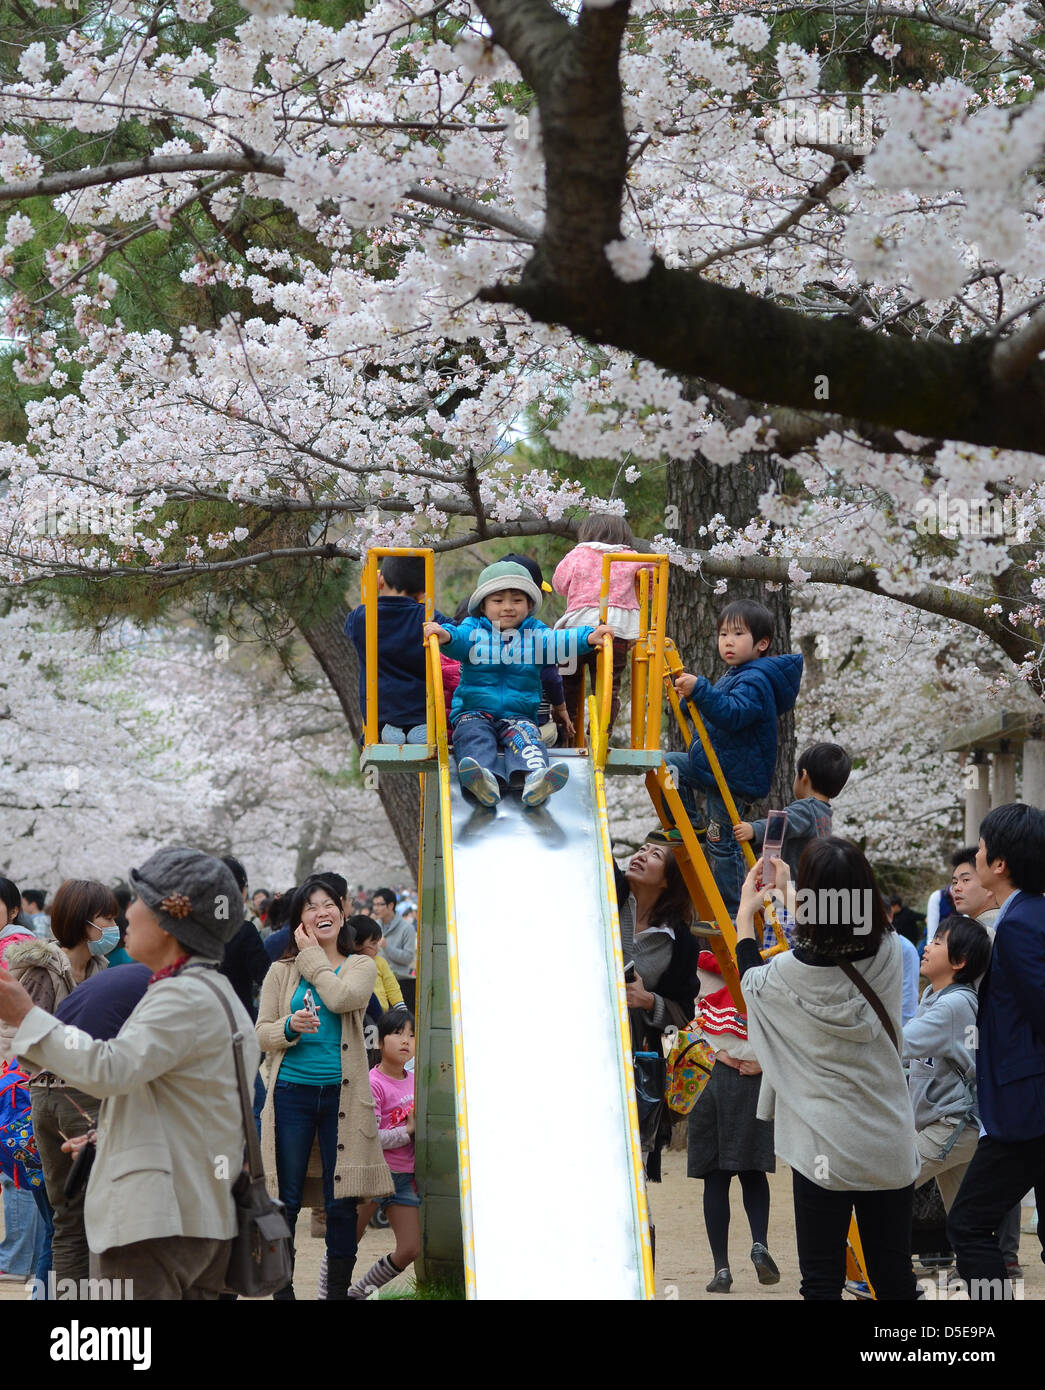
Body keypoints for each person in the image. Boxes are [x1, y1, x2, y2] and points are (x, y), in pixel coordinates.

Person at [0, 847, 258, 1300]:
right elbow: (185, 1104)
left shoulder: (181, 997)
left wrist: (27, 1017)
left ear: (168, 921)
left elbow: (109, 1067)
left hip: (156, 1223)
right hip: (199, 1214)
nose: (127, 915)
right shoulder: (213, 992)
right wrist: (114, 1134)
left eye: (137, 902)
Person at [736, 839, 920, 1300]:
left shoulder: (781, 978)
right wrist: (791, 890)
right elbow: (838, 925)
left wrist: (747, 910)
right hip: (887, 1141)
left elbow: (748, 979)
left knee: (820, 1282)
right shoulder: (892, 951)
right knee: (893, 1276)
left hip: (823, 1148)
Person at [255, 876, 393, 1300]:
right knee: (286, 1199)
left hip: (343, 1098)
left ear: (343, 910)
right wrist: (289, 1028)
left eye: (329, 903)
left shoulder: (361, 965)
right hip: (290, 1095)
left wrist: (313, 958)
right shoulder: (281, 971)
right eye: (311, 906)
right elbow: (261, 1033)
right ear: (300, 918)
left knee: (340, 1201)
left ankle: (334, 1295)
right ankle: (284, 1293)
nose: (322, 912)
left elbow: (341, 999)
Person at [948, 804, 1045, 1299]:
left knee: (968, 1224)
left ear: (1000, 864)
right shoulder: (1029, 912)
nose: (978, 855)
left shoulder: (1020, 923)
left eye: (983, 849)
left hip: (1026, 1108)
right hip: (1026, 1104)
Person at [423, 560, 612, 807]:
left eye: (517, 600)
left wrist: (587, 636)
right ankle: (483, 779)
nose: (508, 607)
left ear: (530, 604)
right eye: (498, 601)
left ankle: (537, 779)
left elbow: (558, 641)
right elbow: (458, 640)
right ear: (483, 605)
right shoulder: (474, 629)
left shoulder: (535, 634)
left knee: (528, 740)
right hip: (474, 711)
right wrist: (445, 635)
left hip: (518, 714)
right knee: (473, 737)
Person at [662, 599, 803, 918]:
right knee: (668, 764)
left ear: (762, 643)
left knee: (722, 843)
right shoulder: (738, 673)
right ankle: (691, 822)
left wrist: (701, 690)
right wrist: (689, 700)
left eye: (738, 634)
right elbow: (715, 711)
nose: (728, 640)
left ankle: (733, 910)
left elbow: (733, 714)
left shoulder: (756, 680)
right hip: (714, 767)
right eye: (723, 633)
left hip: (733, 777)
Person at [32, 963, 151, 1286]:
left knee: (68, 1220)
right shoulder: (168, 989)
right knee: (113, 1220)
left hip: (43, 1091)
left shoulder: (120, 977)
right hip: (82, 1097)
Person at [687, 948, 779, 1293]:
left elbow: (689, 1020)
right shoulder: (766, 973)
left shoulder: (698, 965)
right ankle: (759, 1243)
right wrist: (766, 1064)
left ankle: (722, 1269)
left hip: (710, 1079)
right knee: (753, 1172)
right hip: (752, 1080)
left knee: (715, 1179)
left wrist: (719, 1052)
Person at [614, 832, 699, 1181]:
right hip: (577, 1037)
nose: (641, 855)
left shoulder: (678, 941)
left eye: (654, 855)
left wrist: (648, 1000)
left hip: (635, 1059)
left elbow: (684, 1012)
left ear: (668, 881)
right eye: (642, 848)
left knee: (630, 1162)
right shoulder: (604, 896)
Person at [903, 915, 991, 1214]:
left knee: (889, 1183)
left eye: (938, 942)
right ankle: (986, 1262)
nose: (927, 947)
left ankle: (877, 1261)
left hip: (952, 1125)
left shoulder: (954, 1005)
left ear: (960, 961)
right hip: (952, 1124)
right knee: (966, 1221)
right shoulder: (934, 997)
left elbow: (897, 1044)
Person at [552, 514, 654, 731]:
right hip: (615, 631)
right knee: (608, 686)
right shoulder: (631, 557)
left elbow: (559, 584)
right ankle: (601, 732)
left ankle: (564, 727)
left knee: (567, 682)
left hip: (576, 629)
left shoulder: (577, 554)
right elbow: (652, 583)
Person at [347, 1010, 420, 1299]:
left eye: (412, 1035)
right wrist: (407, 1132)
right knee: (346, 1241)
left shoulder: (417, 1080)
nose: (406, 1041)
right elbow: (372, 1138)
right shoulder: (372, 1083)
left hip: (403, 1178)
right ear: (379, 1043)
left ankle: (358, 1294)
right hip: (373, 1173)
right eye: (398, 1033)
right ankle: (328, 1295)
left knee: (411, 1248)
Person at [346, 554, 449, 745]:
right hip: (421, 713)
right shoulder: (427, 617)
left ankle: (387, 732)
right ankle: (420, 730)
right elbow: (455, 629)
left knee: (381, 720)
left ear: (380, 580)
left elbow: (349, 627)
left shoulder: (362, 617)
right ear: (423, 592)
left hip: (381, 714)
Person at [734, 742, 850, 880]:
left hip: (788, 885)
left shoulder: (807, 808)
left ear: (804, 776)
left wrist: (754, 830)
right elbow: (786, 837)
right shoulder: (824, 815)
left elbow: (782, 824)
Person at [371, 888, 414, 1011]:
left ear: (391, 905)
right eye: (374, 904)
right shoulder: (374, 926)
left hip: (400, 982)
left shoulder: (407, 928)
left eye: (380, 904)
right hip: (378, 983)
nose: (376, 908)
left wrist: (386, 947)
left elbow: (408, 958)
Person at [350, 916, 404, 1011]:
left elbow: (392, 986)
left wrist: (401, 1010)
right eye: (373, 943)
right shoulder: (348, 963)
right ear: (356, 944)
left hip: (382, 1015)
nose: (377, 948)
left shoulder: (380, 962)